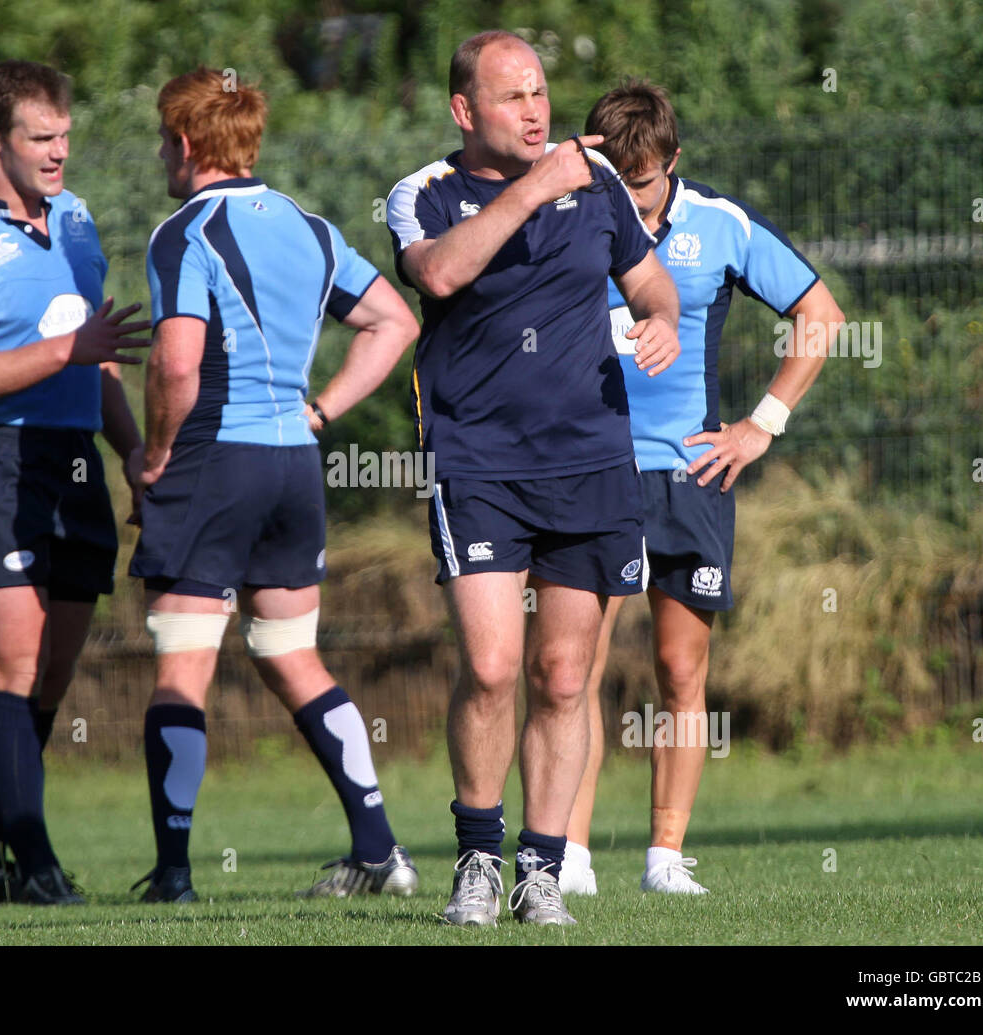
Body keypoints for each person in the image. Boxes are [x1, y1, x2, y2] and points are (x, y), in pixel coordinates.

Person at [385, 32, 681, 926]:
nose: (536, 110)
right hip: (478, 460)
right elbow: (437, 273)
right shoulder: (424, 194)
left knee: (561, 676)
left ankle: (541, 870)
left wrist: (660, 321)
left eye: (541, 92)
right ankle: (477, 854)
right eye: (513, 96)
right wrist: (532, 189)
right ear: (464, 111)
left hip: (590, 461)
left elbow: (653, 287)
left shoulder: (598, 188)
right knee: (490, 663)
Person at [127, 68, 421, 903]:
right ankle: (379, 850)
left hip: (215, 460)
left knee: (184, 668)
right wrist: (320, 411)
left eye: (162, 140)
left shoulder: (183, 232)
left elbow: (176, 362)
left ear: (184, 145)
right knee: (289, 654)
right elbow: (394, 321)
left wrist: (153, 457)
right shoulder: (309, 226)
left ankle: (175, 875)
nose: (161, 154)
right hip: (294, 463)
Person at [558, 79, 844, 896]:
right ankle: (567, 856)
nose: (627, 197)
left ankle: (664, 858)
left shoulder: (722, 226)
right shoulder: (562, 216)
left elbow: (820, 315)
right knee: (571, 669)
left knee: (682, 671)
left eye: (640, 181)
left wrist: (762, 425)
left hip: (691, 477)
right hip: (589, 472)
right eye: (611, 177)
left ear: (672, 163)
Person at [0, 59, 151, 905]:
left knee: (48, 673)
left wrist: (136, 457)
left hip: (73, 453)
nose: (58, 155)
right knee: (10, 663)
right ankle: (36, 865)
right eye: (41, 139)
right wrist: (66, 353)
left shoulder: (75, 219)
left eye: (65, 137)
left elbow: (98, 351)